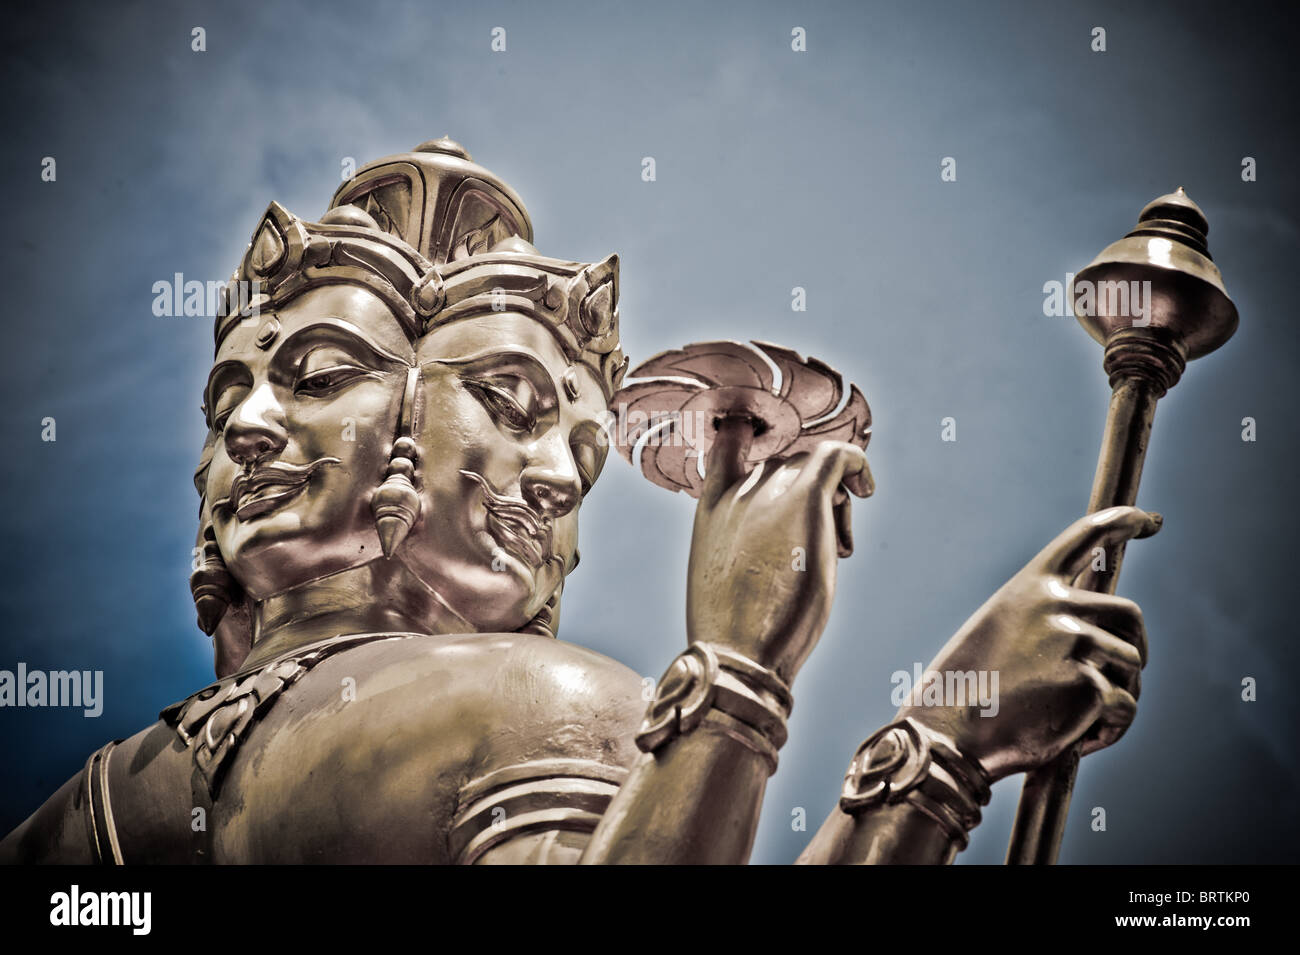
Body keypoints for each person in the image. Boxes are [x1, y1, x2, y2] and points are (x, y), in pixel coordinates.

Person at [0, 140, 1155, 864]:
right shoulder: (532, 705)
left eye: (577, 442)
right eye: (260, 385)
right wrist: (739, 669)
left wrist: (930, 751)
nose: (556, 475)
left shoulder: (63, 825)